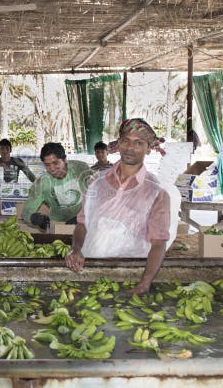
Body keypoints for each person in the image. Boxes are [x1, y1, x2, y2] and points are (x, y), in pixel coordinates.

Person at [65, 118, 171, 295]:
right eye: (126, 141)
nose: (130, 147)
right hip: (88, 270)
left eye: (138, 143)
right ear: (119, 144)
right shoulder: (95, 182)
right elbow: (82, 224)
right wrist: (76, 250)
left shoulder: (156, 192)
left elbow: (159, 243)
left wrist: (144, 283)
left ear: (148, 148)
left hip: (131, 275)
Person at [21, 142, 92, 230]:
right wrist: (34, 218)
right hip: (59, 223)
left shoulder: (80, 168)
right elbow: (26, 212)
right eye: (47, 165)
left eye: (55, 163)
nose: (52, 169)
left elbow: (96, 196)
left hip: (85, 219)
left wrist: (81, 216)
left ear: (65, 159)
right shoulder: (42, 183)